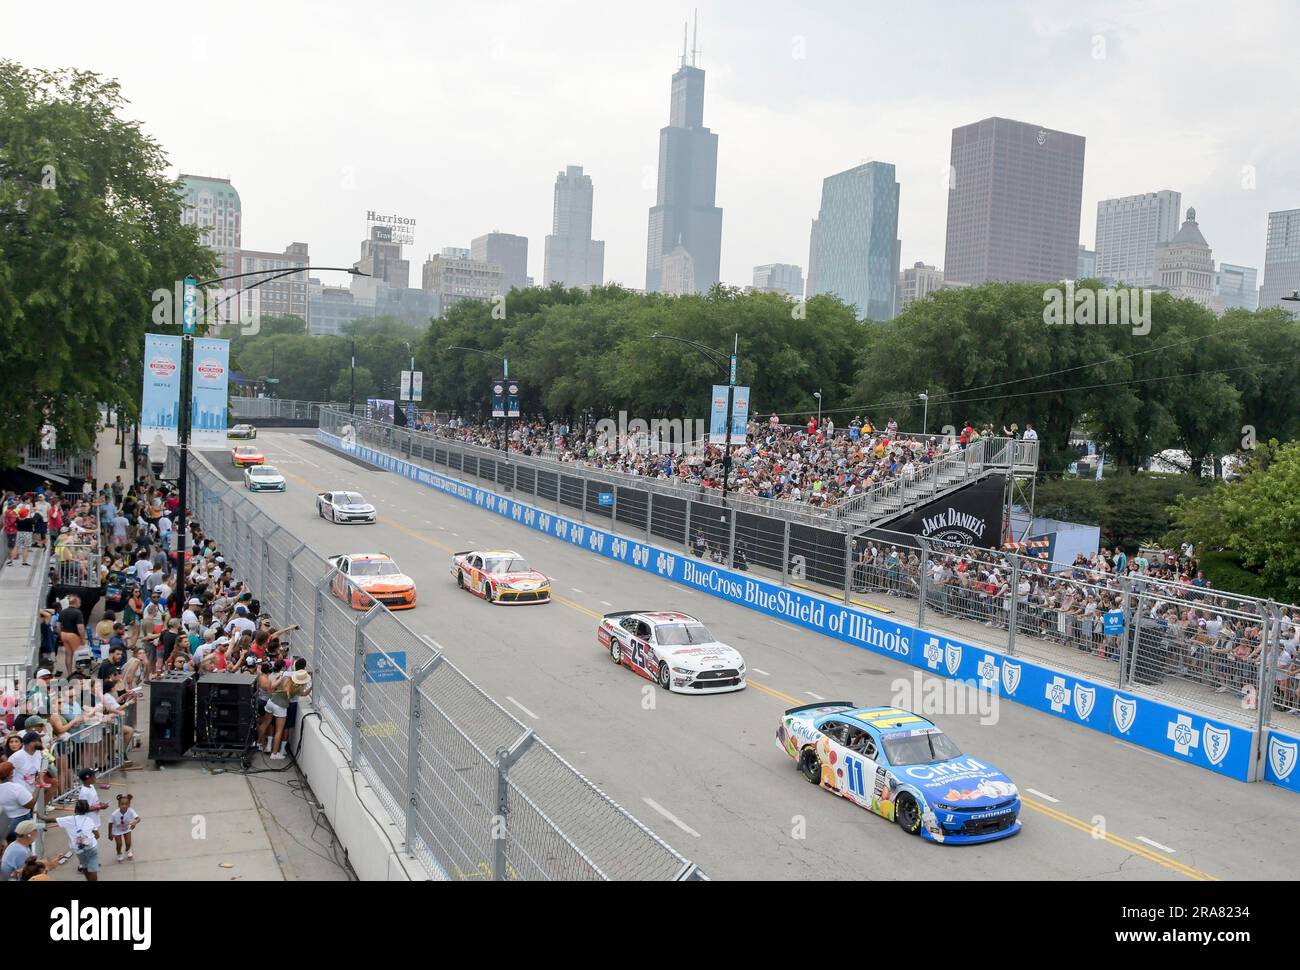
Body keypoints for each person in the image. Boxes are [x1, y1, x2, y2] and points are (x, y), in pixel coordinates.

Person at [56, 799, 100, 881]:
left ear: (75, 809)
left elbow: (52, 820)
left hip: (79, 850)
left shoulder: (68, 819)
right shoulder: (90, 820)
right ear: (87, 810)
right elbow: (97, 835)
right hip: (92, 848)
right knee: (93, 869)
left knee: (85, 867)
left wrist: (40, 816)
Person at [0, 762, 37, 837]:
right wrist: (38, 787)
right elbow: (30, 804)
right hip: (19, 822)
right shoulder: (15, 788)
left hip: (3, 823)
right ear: (11, 773)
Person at [110, 792, 140, 863]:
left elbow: (138, 819)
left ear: (129, 805)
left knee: (128, 842)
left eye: (126, 804)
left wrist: (134, 822)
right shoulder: (114, 814)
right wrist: (110, 833)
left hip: (126, 828)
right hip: (116, 829)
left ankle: (128, 850)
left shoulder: (130, 810)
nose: (124, 806)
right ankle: (119, 853)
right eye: (122, 804)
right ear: (118, 805)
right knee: (119, 843)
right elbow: (110, 823)